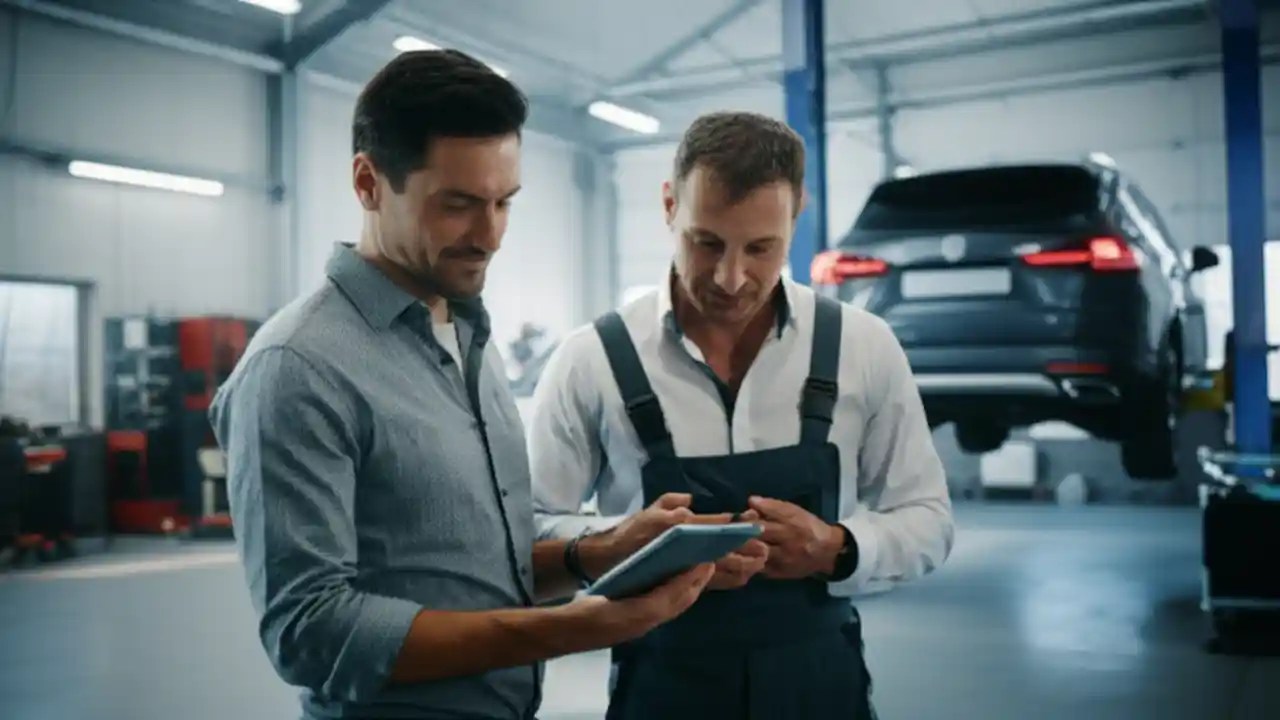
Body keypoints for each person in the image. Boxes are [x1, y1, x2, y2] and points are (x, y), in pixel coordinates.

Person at [208, 50, 721, 720]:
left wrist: (598, 550)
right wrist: (582, 627)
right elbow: (311, 631)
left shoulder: (467, 337)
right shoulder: (297, 368)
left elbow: (473, 563)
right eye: (458, 205)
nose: (491, 235)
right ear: (368, 183)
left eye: (503, 202)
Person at [528, 111, 956, 719]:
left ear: (797, 213)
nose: (732, 278)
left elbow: (929, 518)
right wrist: (615, 543)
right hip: (662, 688)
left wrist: (839, 547)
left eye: (762, 248)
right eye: (707, 243)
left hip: (820, 685)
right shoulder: (589, 361)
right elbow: (529, 531)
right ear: (669, 205)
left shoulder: (863, 346)